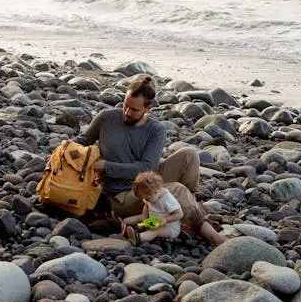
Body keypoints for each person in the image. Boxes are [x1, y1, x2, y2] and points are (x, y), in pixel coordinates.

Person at [76, 75, 226, 246]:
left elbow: (147, 168)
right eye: (125, 105)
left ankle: (188, 213)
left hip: (147, 183)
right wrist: (62, 153)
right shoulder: (106, 118)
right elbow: (82, 141)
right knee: (177, 189)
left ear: (148, 108)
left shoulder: (156, 130)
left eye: (134, 110)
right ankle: (211, 234)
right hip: (121, 195)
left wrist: (107, 166)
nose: (126, 112)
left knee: (189, 155)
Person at [122, 171, 183, 245]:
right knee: (139, 218)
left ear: (156, 192)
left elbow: (179, 214)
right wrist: (144, 216)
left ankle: (138, 238)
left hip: (169, 227)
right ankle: (122, 223)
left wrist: (166, 220)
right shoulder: (151, 195)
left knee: (155, 232)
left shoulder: (167, 199)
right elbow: (146, 205)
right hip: (154, 222)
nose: (146, 200)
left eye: (147, 198)